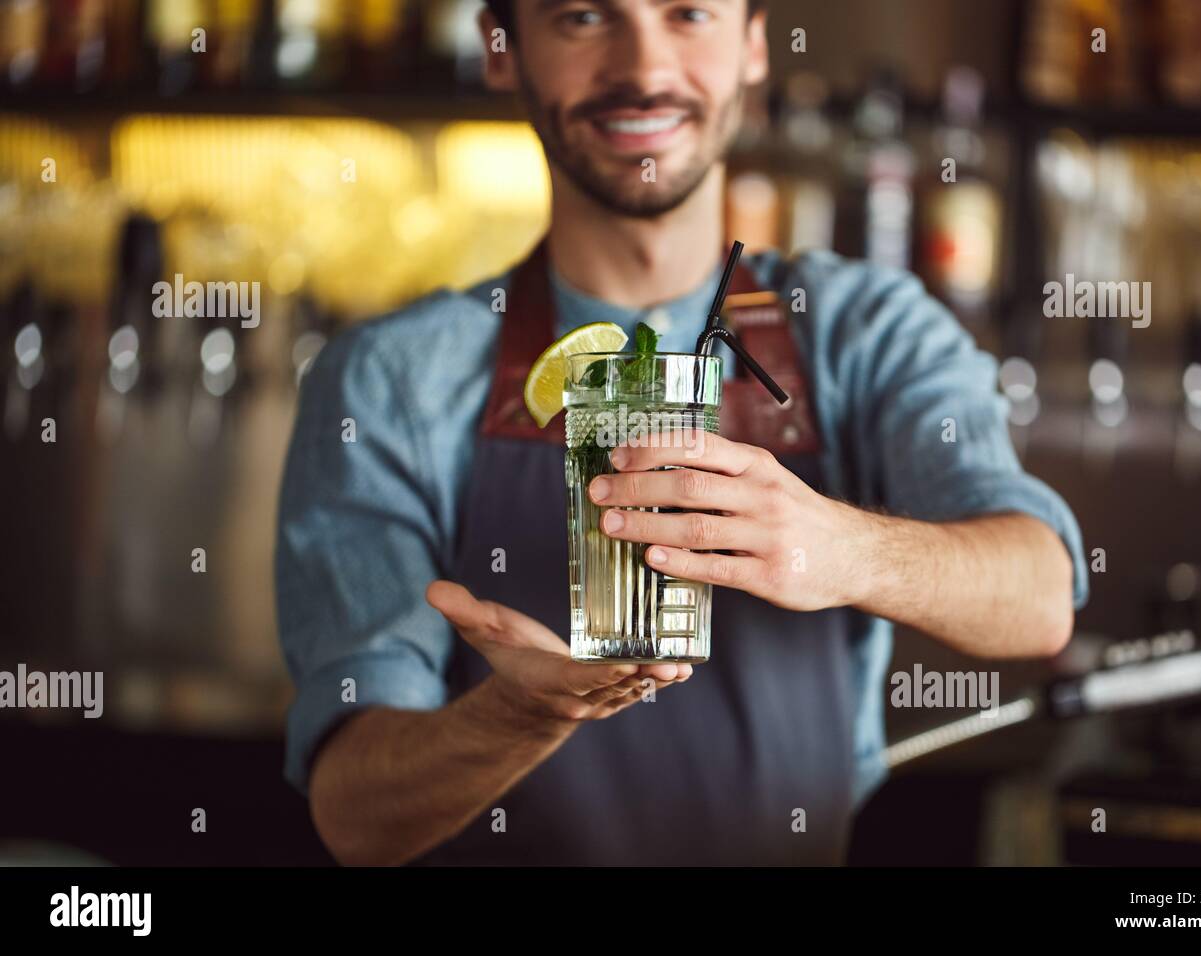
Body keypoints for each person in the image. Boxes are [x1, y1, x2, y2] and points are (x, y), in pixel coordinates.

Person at [275, 0, 1088, 866]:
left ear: (752, 46)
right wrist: (521, 713)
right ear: (502, 49)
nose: (645, 66)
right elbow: (357, 814)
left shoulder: (866, 331)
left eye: (689, 13)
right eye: (585, 16)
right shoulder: (389, 380)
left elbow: (1040, 594)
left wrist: (837, 548)